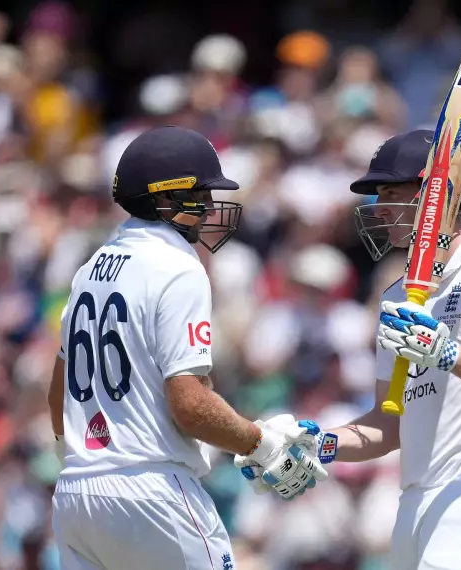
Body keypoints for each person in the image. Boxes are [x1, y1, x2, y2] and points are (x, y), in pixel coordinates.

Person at [236, 129, 461, 569]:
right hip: (414, 501)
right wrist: (319, 443)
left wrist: (449, 354)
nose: (377, 209)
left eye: (389, 192)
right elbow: (389, 423)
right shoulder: (397, 297)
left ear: (437, 194)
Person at [48, 126, 329, 570]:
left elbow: (57, 395)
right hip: (152, 492)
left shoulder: (89, 270)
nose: (213, 207)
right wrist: (260, 444)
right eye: (201, 195)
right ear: (166, 199)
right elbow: (190, 404)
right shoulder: (178, 265)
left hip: (77, 495)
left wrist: (90, 461)